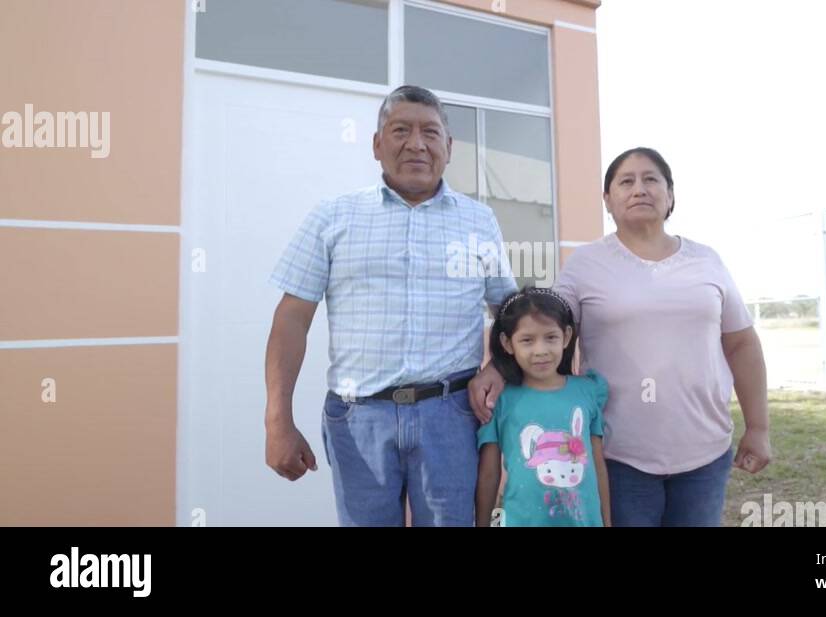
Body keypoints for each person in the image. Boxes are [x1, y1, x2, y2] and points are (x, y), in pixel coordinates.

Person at [470, 147, 771, 526]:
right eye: (625, 181)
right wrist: (499, 366)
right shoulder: (585, 264)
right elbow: (541, 328)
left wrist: (758, 428)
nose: (639, 189)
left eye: (651, 179)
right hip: (619, 455)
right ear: (608, 200)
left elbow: (741, 343)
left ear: (671, 194)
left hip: (705, 454)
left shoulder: (707, 260)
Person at [264, 85, 517, 526]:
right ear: (377, 144)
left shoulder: (479, 221)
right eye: (400, 130)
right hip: (358, 418)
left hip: (451, 416)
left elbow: (508, 313)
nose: (416, 143)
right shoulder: (333, 216)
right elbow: (292, 319)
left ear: (449, 148)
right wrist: (277, 420)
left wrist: (497, 366)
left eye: (430, 133)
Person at [475, 287, 610, 527]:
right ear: (507, 343)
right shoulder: (500, 399)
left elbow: (598, 466)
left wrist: (606, 522)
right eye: (527, 340)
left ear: (567, 337)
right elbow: (489, 474)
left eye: (551, 337)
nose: (540, 350)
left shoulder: (587, 392)